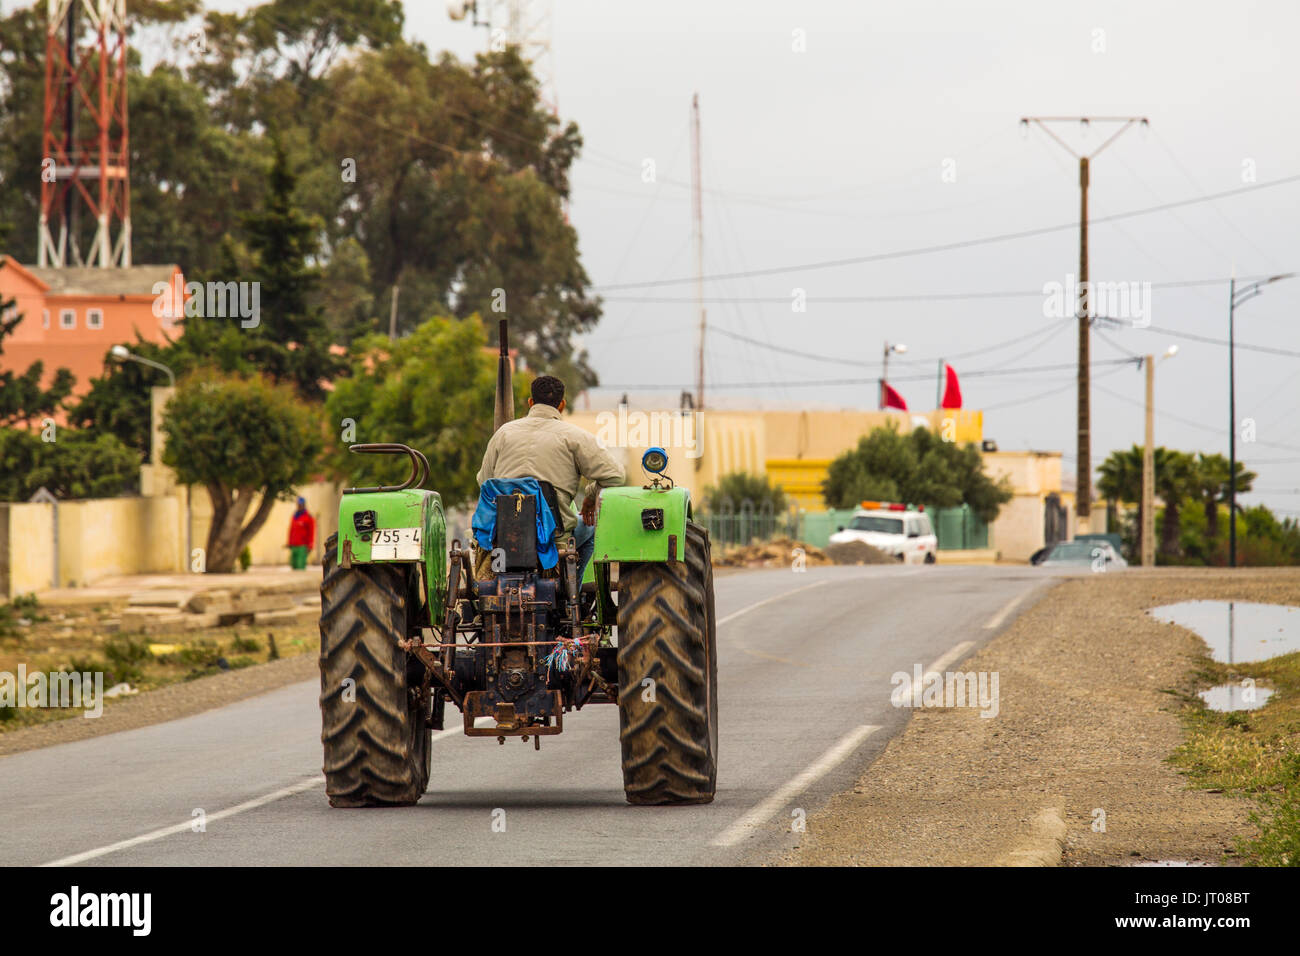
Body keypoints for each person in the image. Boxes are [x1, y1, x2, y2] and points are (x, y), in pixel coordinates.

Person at [476, 374, 624, 583]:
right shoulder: (575, 437)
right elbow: (615, 476)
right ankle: (571, 589)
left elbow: (484, 483)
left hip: (503, 537)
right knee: (590, 528)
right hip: (555, 538)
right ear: (562, 405)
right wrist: (590, 497)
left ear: (530, 402)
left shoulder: (503, 433)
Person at [287, 496, 315, 570]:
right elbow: (291, 530)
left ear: (303, 505)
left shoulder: (308, 517)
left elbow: (311, 532)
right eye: (298, 504)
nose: (299, 506)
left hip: (302, 546)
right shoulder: (294, 516)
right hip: (293, 546)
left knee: (300, 567)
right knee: (293, 566)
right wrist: (289, 543)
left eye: (300, 504)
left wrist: (310, 545)